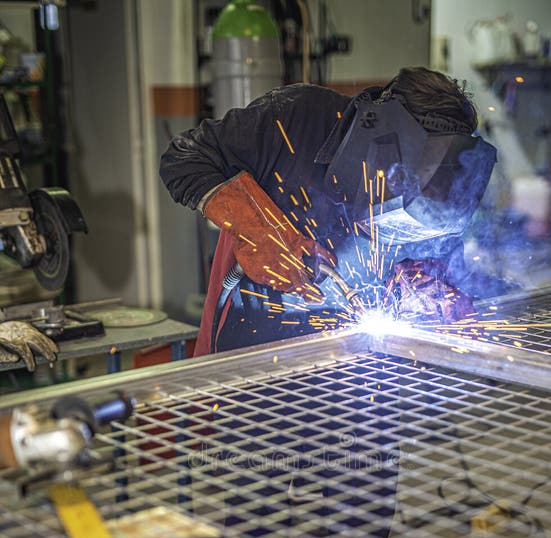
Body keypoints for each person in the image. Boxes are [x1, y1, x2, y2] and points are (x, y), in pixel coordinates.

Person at [160, 66, 498, 356]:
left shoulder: (444, 185)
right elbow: (185, 159)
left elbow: (441, 267)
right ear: (380, 143)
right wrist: (260, 232)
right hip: (257, 352)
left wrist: (429, 282)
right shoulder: (297, 117)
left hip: (358, 375)